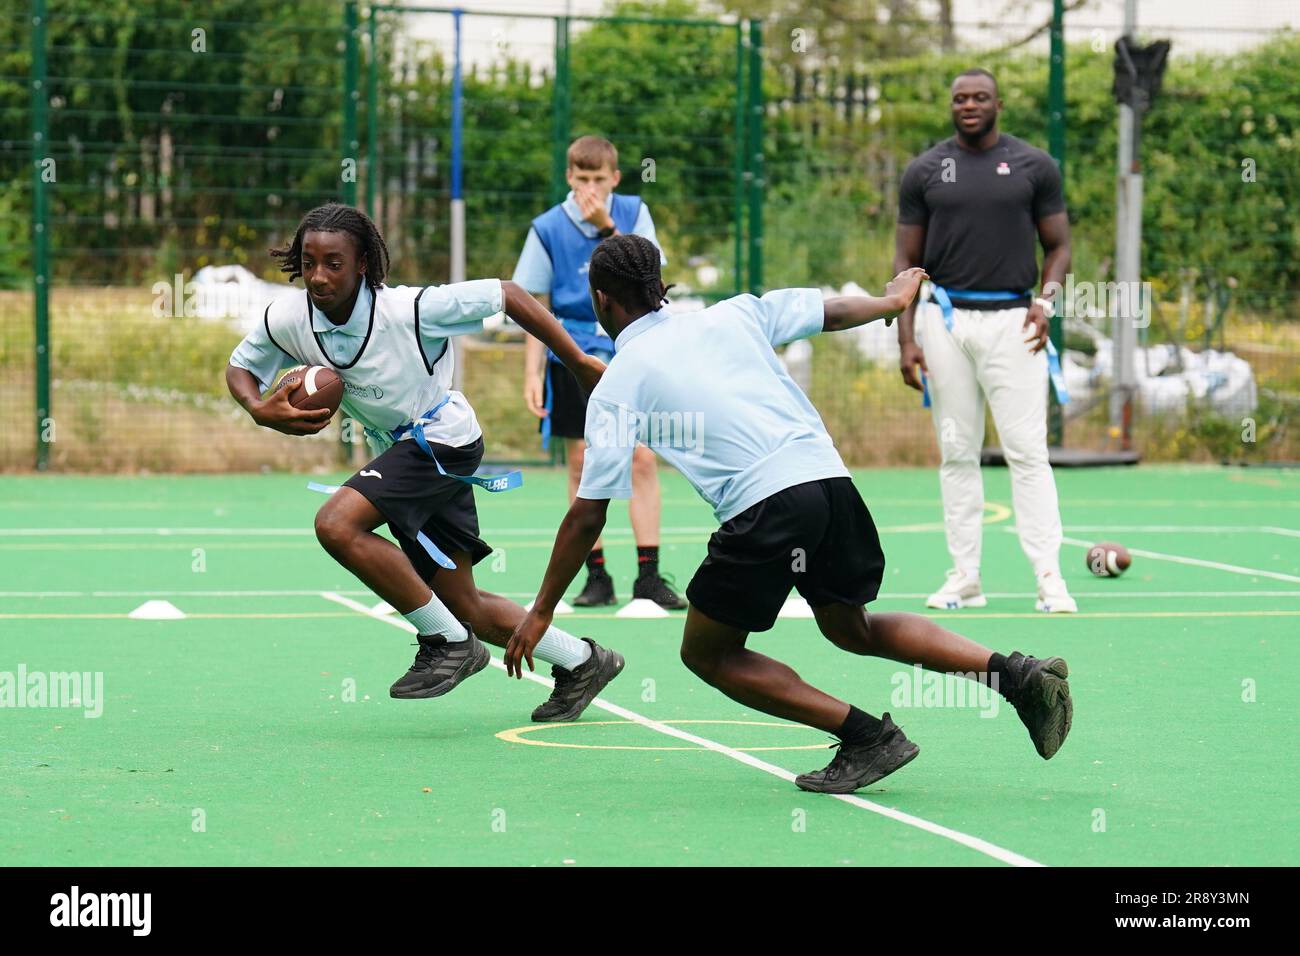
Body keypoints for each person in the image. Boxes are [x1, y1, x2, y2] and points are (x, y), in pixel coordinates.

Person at [505, 234, 1073, 793]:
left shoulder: (618, 385)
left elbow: (587, 515)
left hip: (765, 506)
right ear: (658, 284)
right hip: (830, 482)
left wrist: (541, 613)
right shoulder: (733, 315)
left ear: (602, 300)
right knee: (852, 626)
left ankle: (867, 737)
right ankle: (1016, 675)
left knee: (708, 653)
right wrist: (891, 303)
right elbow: (830, 311)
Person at [226, 202, 623, 722]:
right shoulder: (289, 318)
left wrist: (574, 361)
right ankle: (584, 662)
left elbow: (508, 294)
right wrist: (259, 410)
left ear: (364, 263)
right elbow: (241, 366)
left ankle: (445, 642)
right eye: (310, 261)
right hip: (401, 454)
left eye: (334, 263)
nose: (319, 276)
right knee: (467, 606)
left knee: (336, 524)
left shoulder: (413, 309)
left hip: (443, 441)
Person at [894, 68, 1078, 613]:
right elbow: (906, 261)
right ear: (950, 106)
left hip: (1015, 323)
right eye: (959, 99)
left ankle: (1049, 578)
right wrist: (906, 339)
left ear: (999, 103)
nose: (968, 105)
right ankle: (965, 578)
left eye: (979, 97)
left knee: (1028, 452)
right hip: (944, 321)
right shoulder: (925, 170)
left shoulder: (1034, 165)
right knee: (956, 451)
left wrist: (1045, 304)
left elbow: (1060, 247)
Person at [513, 135, 685, 610]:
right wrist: (532, 372)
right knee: (581, 462)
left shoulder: (632, 214)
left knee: (641, 457)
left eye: (599, 179)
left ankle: (649, 575)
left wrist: (607, 226)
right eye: (581, 178)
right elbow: (533, 304)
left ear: (615, 178)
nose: (590, 187)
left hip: (632, 348)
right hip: (571, 352)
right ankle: (597, 575)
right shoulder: (547, 228)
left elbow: (647, 276)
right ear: (569, 177)